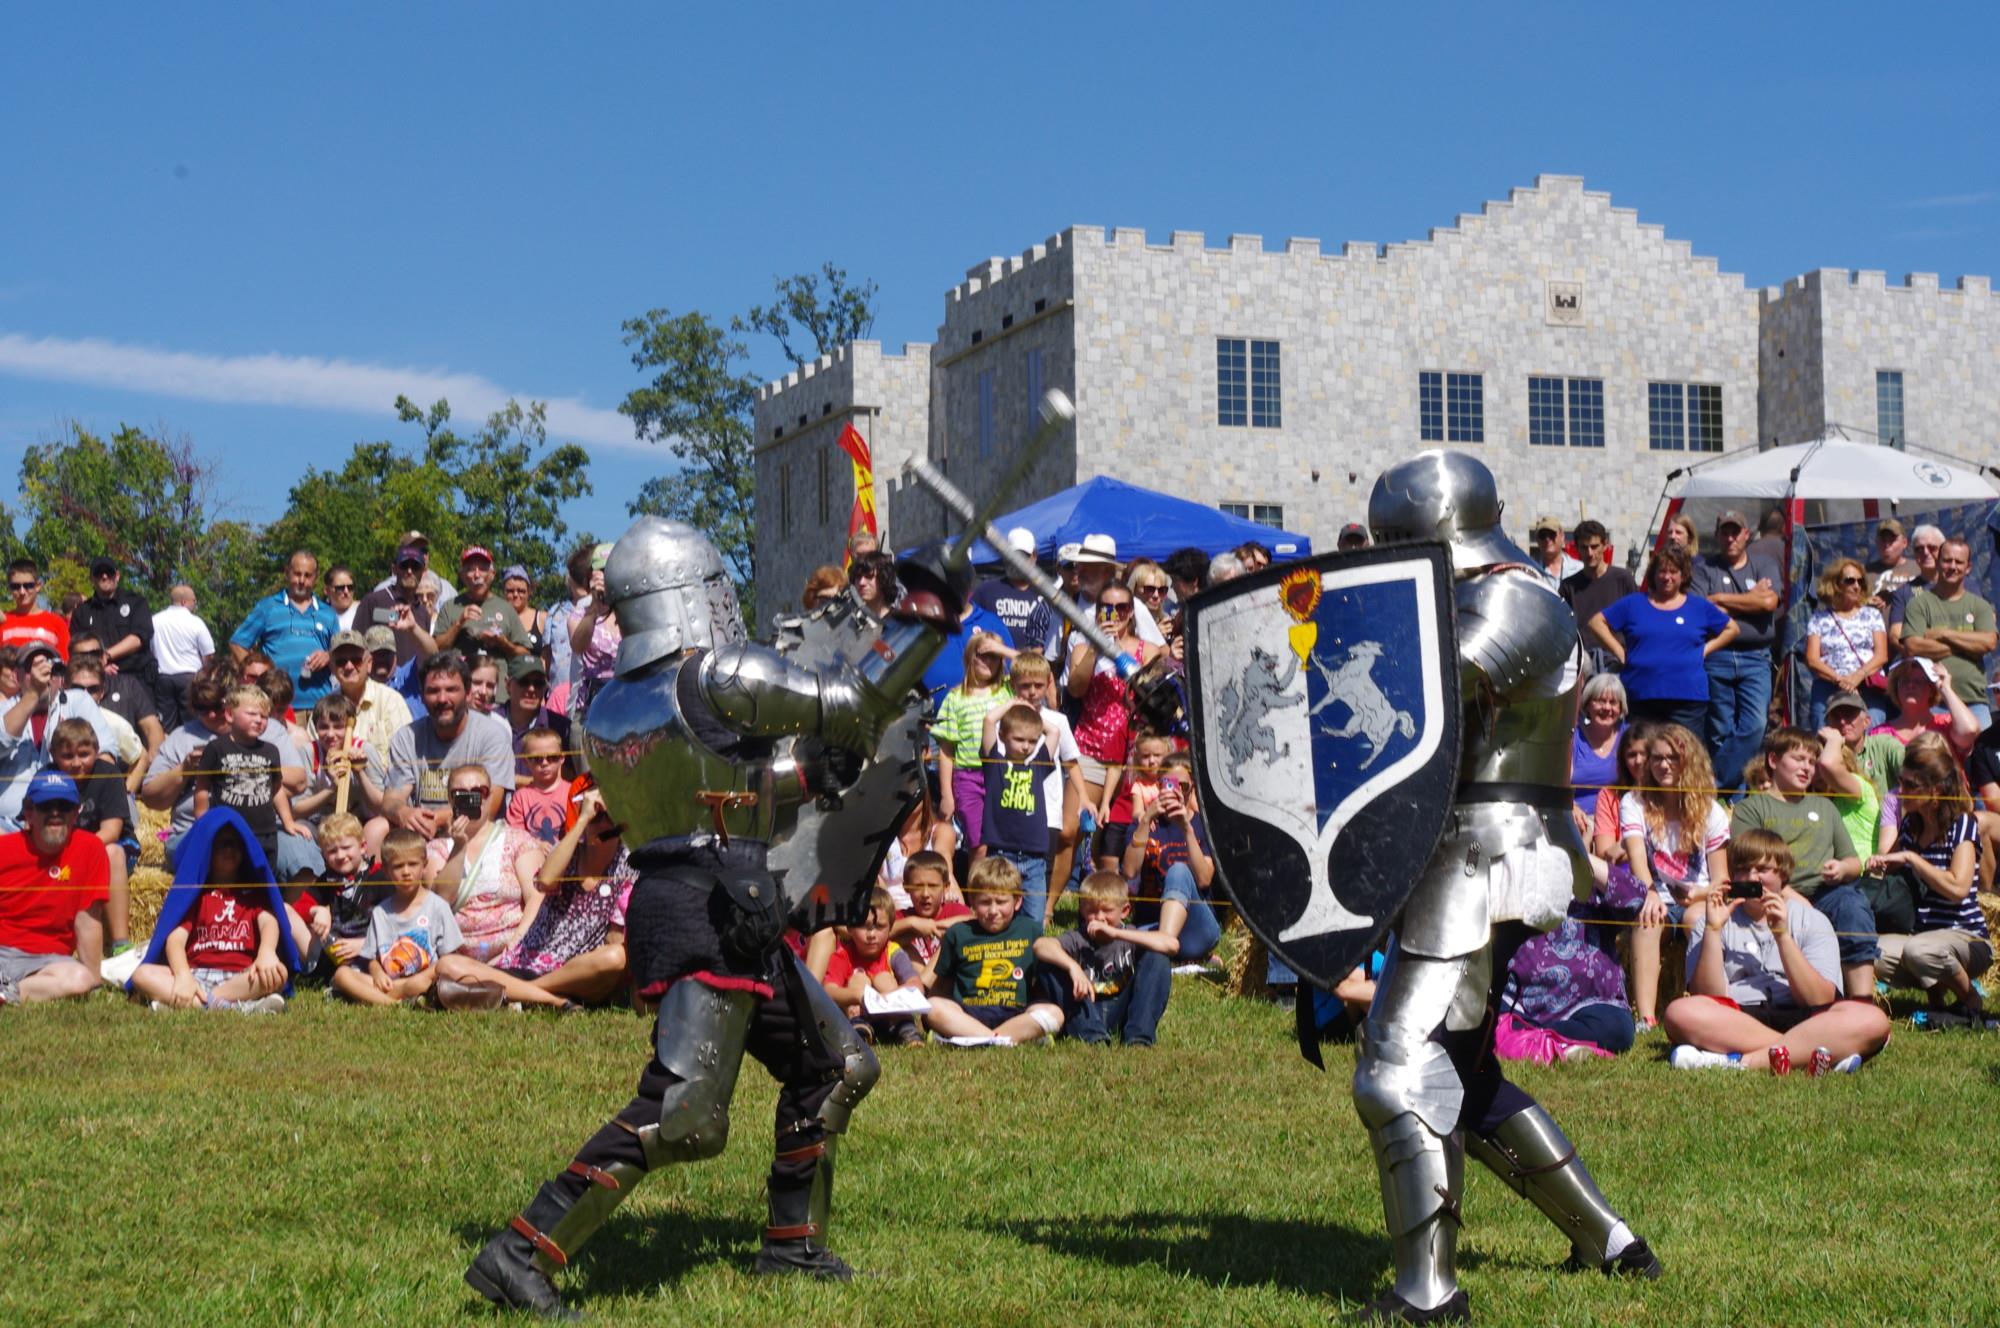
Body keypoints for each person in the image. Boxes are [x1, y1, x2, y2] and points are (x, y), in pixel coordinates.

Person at [466, 516, 964, 1313]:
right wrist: (928, 617)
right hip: (708, 906)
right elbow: (854, 699)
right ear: (695, 591)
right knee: (685, 1111)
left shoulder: (612, 703)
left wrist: (816, 772)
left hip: (717, 897)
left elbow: (726, 795)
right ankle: (522, 1251)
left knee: (836, 1067)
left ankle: (793, 1249)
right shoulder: (715, 672)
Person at [1348, 450, 1656, 1324]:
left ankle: (1427, 1295)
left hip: (1488, 852)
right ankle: (1613, 1243)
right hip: (1451, 845)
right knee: (1466, 1078)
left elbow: (1436, 700)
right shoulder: (1460, 597)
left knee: (1399, 1069)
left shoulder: (1515, 597)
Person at [1664, 829, 1891, 1075]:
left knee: (1873, 1019)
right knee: (1679, 1013)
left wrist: (1782, 936)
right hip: (1738, 1019)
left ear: (1782, 873)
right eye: (1742, 869)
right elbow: (1708, 996)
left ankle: (1736, 1062)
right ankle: (1812, 1053)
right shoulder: (1710, 920)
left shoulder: (1812, 920)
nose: (1752, 877)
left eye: (1762, 869)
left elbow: (1819, 998)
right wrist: (1712, 930)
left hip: (1804, 1016)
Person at [1730, 727, 1873, 997]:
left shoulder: (1824, 807)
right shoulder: (1751, 809)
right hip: (1768, 893)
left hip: (1825, 893)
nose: (1806, 767)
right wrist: (1793, 898)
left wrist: (1842, 868)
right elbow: (1743, 870)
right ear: (1773, 760)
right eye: (1798, 759)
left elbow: (1854, 862)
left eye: (1811, 761)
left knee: (1853, 905)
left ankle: (1862, 1003)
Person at [1868, 737, 1990, 1026]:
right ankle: (1936, 1000)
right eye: (1900, 783)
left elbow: (1958, 889)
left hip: (1966, 937)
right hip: (1923, 934)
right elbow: (1894, 865)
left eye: (1910, 786)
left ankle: (1971, 1000)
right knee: (1871, 952)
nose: (1901, 792)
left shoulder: (1963, 825)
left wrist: (1913, 859)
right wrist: (1881, 863)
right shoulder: (1911, 825)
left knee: (1920, 950)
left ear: (1935, 791)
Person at [126, 811, 296, 1013]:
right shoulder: (197, 895)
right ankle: (238, 1007)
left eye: (235, 844)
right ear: (209, 849)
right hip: (195, 975)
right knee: (142, 975)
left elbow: (269, 923)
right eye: (222, 844)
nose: (229, 849)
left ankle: (200, 1004)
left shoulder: (251, 893)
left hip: (241, 975)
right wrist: (182, 975)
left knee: (279, 973)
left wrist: (266, 953)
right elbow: (175, 940)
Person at [1621, 723, 1730, 1030]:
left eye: (1672, 757)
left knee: (1697, 920)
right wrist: (1650, 893)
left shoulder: (1710, 810)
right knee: (1648, 918)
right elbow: (1637, 861)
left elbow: (1722, 879)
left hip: (1698, 896)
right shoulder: (1634, 802)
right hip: (1657, 895)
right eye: (1656, 757)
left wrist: (1699, 894)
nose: (1663, 764)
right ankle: (1646, 1017)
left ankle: (1705, 1009)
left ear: (1688, 761)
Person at [494, 781, 633, 1006]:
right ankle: (543, 998)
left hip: (574, 973)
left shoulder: (628, 865)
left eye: (609, 815)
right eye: (595, 816)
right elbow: (546, 881)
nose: (602, 823)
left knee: (615, 957)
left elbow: (616, 941)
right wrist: (581, 820)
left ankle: (520, 993)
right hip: (529, 962)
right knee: (448, 965)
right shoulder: (568, 851)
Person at [1496, 860, 1646, 1057]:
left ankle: (1528, 1040)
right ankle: (1555, 1044)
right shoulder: (1521, 865)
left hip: (1588, 1001)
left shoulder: (1595, 882)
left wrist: (1578, 853)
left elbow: (1635, 897)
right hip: (1520, 998)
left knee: (1617, 1029)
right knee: (1478, 1020)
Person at [1585, 544, 1737, 732]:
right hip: (1640, 694)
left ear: (1683, 576)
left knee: (1684, 756)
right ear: (1653, 574)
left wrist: (1705, 650)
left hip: (1687, 699)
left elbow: (1732, 628)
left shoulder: (1699, 607)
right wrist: (1620, 652)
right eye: (1661, 571)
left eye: (1673, 572)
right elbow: (1596, 622)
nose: (1667, 577)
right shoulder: (1634, 603)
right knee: (1641, 754)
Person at [923, 855, 1065, 1046]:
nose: (993, 910)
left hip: (1015, 1013)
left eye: (1001, 902)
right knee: (933, 1006)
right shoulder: (959, 933)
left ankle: (976, 1040)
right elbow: (943, 986)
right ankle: (1003, 1040)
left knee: (1055, 1013)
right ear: (972, 901)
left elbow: (1039, 983)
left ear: (1017, 901)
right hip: (968, 1013)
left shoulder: (1030, 930)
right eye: (984, 902)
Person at [379, 651, 515, 842]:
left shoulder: (492, 735)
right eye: (433, 691)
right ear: (422, 695)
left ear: (467, 694)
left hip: (474, 830)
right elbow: (391, 799)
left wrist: (438, 819)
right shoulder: (407, 737)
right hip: (419, 831)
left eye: (451, 689)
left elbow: (490, 805)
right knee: (377, 829)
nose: (442, 699)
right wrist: (403, 812)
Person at [1031, 869, 1176, 1046]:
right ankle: (1094, 1038)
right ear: (1081, 910)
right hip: (1086, 1011)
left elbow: (1171, 944)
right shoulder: (1078, 937)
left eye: (1107, 910)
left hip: (1121, 1009)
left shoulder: (1128, 935)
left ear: (1125, 911)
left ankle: (1139, 1038)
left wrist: (1116, 933)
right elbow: (1040, 945)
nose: (1099, 917)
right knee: (1049, 963)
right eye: (1091, 910)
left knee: (1158, 957)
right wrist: (1073, 968)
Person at [0, 770, 107, 1006]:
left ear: (76, 813)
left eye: (64, 806)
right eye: (46, 806)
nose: (56, 813)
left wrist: (94, 982)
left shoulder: (90, 849)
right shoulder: (4, 849)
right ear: (29, 812)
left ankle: (9, 992)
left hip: (46, 962)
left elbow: (87, 921)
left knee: (80, 980)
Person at [1691, 509, 1782, 786]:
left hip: (1756, 658)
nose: (1730, 538)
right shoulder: (1703, 568)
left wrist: (1720, 598)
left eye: (1735, 532)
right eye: (1725, 532)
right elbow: (1702, 609)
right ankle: (1736, 798)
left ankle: (1713, 785)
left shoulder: (1764, 564)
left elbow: (1768, 604)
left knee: (1755, 726)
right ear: (1718, 535)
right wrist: (1749, 599)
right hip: (1716, 655)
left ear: (1746, 535)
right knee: (1719, 730)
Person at [997, 652, 1083, 917]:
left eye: (1038, 685)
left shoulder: (1058, 721)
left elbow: (1071, 761)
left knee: (1043, 864)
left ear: (1048, 684)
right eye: (1025, 686)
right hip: (1014, 806)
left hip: (1048, 807)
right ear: (1013, 685)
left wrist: (1085, 797)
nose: (1032, 692)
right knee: (1009, 867)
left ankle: (1042, 913)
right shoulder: (1006, 721)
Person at [190, 684, 310, 868]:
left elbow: (276, 789)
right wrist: (202, 821)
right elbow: (202, 786)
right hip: (228, 831)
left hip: (264, 832)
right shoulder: (217, 748)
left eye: (264, 716)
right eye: (252, 714)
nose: (259, 720)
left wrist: (288, 822)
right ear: (230, 714)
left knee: (261, 883)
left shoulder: (270, 751)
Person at [0, 642, 116, 831]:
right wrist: (33, 695)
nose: (43, 674)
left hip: (66, 819)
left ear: (60, 676)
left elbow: (106, 757)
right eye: (32, 667)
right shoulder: (4, 710)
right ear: (16, 675)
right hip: (9, 825)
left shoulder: (78, 700)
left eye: (49, 667)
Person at [47, 717, 135, 960]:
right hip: (61, 850)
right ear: (53, 754)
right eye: (67, 756)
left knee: (113, 853)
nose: (76, 763)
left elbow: (112, 830)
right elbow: (31, 824)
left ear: (96, 752)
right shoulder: (47, 776)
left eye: (84, 754)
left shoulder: (107, 775)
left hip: (105, 846)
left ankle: (120, 943)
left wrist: (75, 853)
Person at [1123, 750, 1222, 964]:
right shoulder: (1143, 823)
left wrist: (1186, 829)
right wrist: (1146, 819)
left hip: (1198, 926)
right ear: (1159, 786)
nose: (1176, 792)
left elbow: (1204, 879)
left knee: (1178, 870)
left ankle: (1164, 944)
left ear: (1191, 788)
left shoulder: (1201, 825)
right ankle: (1177, 951)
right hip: (1151, 923)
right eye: (1169, 785)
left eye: (1183, 786)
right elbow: (1129, 871)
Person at [1897, 538, 1997, 730]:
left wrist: (1942, 633)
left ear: (1968, 568)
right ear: (1938, 562)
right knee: (1936, 759)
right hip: (1932, 704)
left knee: (1980, 759)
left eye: (1959, 562)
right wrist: (1968, 645)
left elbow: (1989, 643)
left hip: (1974, 702)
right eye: (1947, 560)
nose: (1952, 566)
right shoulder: (1918, 604)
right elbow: (1913, 646)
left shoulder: (1980, 606)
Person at [932, 632, 1013, 854]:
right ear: (970, 657)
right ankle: (976, 886)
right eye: (983, 655)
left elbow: (1033, 667)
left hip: (1003, 775)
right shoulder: (955, 698)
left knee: (1003, 842)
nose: (989, 661)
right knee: (979, 844)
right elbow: (947, 751)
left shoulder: (1008, 689)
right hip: (968, 777)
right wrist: (947, 794)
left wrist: (1003, 651)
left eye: (994, 657)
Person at [231, 550, 339, 708]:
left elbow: (341, 655)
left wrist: (329, 656)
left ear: (316, 578)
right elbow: (237, 644)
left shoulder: (328, 613)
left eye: (308, 575)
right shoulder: (268, 607)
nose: (301, 580)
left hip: (319, 707)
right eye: (297, 574)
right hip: (276, 706)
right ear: (286, 573)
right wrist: (257, 679)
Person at [294, 812, 390, 987]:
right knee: (285, 910)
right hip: (335, 951)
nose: (340, 855)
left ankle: (353, 980)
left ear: (362, 847)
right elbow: (298, 906)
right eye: (332, 851)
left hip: (372, 951)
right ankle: (318, 972)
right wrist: (317, 911)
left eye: (346, 848)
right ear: (324, 855)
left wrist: (366, 944)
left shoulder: (380, 875)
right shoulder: (327, 879)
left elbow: (397, 918)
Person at [820, 886, 924, 1045]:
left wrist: (890, 997)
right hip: (857, 1014)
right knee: (858, 980)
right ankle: (860, 1029)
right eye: (863, 926)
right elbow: (828, 990)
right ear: (850, 928)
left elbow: (916, 985)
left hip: (891, 1013)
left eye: (880, 926)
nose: (871, 935)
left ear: (890, 927)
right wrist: (858, 995)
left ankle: (905, 1029)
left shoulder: (893, 951)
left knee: (883, 978)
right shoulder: (843, 955)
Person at [979, 701, 1052, 923]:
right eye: (1019, 739)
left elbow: (1054, 731)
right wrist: (1015, 703)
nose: (1026, 746)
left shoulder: (1038, 765)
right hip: (1001, 854)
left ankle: (1030, 956)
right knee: (999, 916)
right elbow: (989, 720)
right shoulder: (995, 763)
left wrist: (1033, 714)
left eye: (1032, 741)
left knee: (1034, 919)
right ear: (1003, 736)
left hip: (1035, 857)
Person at [1804, 557, 1890, 728]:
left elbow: (1882, 656)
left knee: (1872, 726)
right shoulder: (1818, 619)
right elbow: (1812, 659)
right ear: (1835, 584)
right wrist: (1840, 680)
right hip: (1829, 688)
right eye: (1850, 581)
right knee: (1824, 733)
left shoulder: (1872, 615)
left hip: (1867, 687)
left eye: (1860, 581)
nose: (1856, 586)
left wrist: (1856, 677)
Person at [433, 547, 532, 687]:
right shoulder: (450, 607)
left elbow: (525, 656)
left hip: (498, 695)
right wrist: (458, 624)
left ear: (492, 574)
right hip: (460, 691)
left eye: (483, 569)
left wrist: (502, 643)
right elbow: (435, 649)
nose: (477, 575)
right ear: (462, 575)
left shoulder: (506, 609)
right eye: (470, 569)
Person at [69, 557, 155, 701]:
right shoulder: (82, 612)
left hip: (136, 678)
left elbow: (138, 638)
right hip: (97, 682)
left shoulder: (136, 602)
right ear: (92, 578)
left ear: (117, 575)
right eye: (99, 573)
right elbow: (77, 648)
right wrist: (99, 666)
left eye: (109, 572)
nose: (104, 576)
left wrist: (106, 656)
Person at [1559, 520, 1640, 673]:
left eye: (1594, 546)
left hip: (1617, 661)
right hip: (1583, 664)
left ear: (1605, 545)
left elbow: (1638, 620)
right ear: (1577, 549)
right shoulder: (1568, 587)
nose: (1590, 553)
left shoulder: (1623, 579)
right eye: (1584, 547)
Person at [325, 628, 412, 762]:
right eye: (341, 661)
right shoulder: (325, 707)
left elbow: (407, 757)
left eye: (356, 660)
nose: (349, 666)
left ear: (369, 663)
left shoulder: (391, 701)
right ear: (332, 667)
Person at [353, 544, 437, 668]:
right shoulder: (374, 601)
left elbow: (430, 653)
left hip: (414, 683)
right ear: (394, 568)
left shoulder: (423, 611)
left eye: (415, 567)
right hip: (379, 680)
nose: (409, 571)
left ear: (423, 572)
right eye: (404, 566)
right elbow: (356, 643)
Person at [890, 849, 969, 975]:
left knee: (949, 941)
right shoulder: (903, 916)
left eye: (932, 886)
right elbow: (882, 933)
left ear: (946, 887)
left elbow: (976, 919)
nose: (925, 894)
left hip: (946, 980)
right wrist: (912, 923)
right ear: (906, 888)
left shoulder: (955, 911)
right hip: (914, 977)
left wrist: (938, 926)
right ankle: (923, 986)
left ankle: (925, 986)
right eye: (918, 886)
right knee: (900, 945)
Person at [149, 584, 214, 730]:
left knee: (166, 725)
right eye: (194, 601)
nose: (195, 604)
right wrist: (205, 673)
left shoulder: (155, 620)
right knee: (193, 724)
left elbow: (151, 650)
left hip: (163, 677)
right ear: (185, 601)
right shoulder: (195, 622)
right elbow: (208, 653)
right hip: (189, 677)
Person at [1569, 673, 1626, 835]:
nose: (1607, 707)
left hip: (1618, 818)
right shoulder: (1574, 738)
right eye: (1600, 701)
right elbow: (1559, 784)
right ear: (1587, 705)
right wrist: (1570, 806)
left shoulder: (1629, 737)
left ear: (1621, 707)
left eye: (1613, 702)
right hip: (1581, 817)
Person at [969, 528, 1041, 639]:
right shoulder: (986, 591)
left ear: (1034, 556)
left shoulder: (1045, 595)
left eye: (1023, 556)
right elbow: (969, 624)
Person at [507, 728, 572, 845]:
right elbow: (515, 836)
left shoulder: (572, 792)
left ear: (562, 758)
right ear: (526, 762)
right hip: (532, 856)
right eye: (537, 759)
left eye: (552, 757)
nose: (545, 763)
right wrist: (535, 845)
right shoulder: (521, 797)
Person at [1, 559, 69, 659]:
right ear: (9, 589)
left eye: (28, 585)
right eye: (16, 586)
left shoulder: (57, 623)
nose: (22, 592)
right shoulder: (3, 623)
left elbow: (65, 663)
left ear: (38, 586)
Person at [499, 565, 548, 657]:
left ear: (529, 592)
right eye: (510, 591)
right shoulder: (497, 617)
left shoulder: (542, 618)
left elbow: (548, 657)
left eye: (521, 591)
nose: (515, 595)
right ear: (503, 592)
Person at [1866, 519, 1919, 602]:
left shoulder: (1919, 569)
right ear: (1876, 542)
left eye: (1892, 540)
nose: (1887, 545)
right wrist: (1866, 602)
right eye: (1883, 540)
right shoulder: (1864, 573)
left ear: (1904, 543)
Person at [1528, 514, 1581, 583]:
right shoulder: (1528, 570)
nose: (1547, 539)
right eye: (1542, 535)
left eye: (1551, 534)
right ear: (1537, 540)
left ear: (1562, 536)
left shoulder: (1579, 569)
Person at [847, 549, 898, 620]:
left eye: (869, 576)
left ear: (884, 578)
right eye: (858, 577)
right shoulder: (849, 620)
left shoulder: (899, 623)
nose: (861, 582)